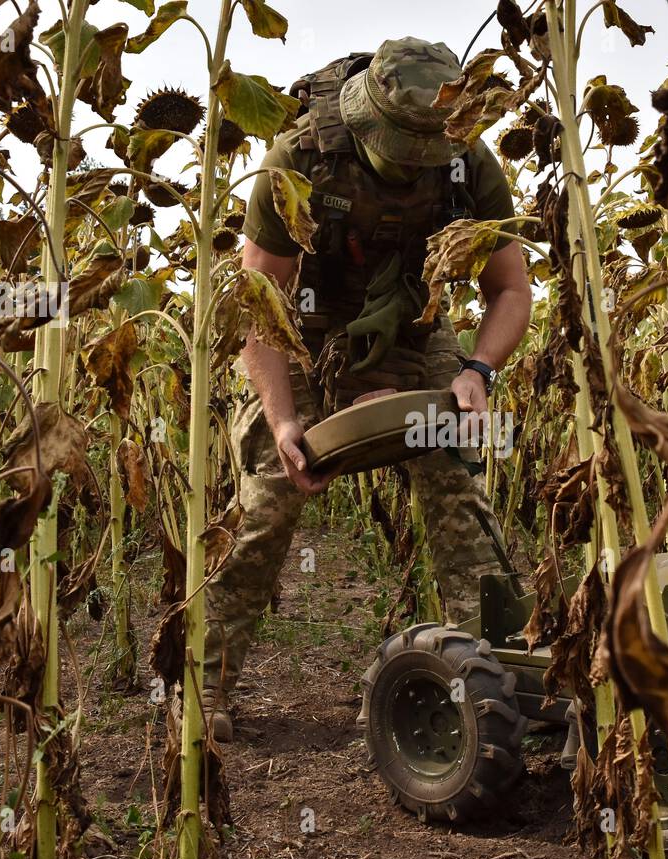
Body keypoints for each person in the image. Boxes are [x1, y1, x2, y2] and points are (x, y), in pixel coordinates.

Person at [202, 37, 533, 741]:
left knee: (458, 491)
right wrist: (284, 421)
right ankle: (203, 686)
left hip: (415, 331)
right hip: (301, 334)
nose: (416, 162)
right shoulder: (299, 159)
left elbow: (509, 288)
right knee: (265, 502)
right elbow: (258, 309)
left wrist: (477, 371)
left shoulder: (469, 164)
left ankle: (500, 683)